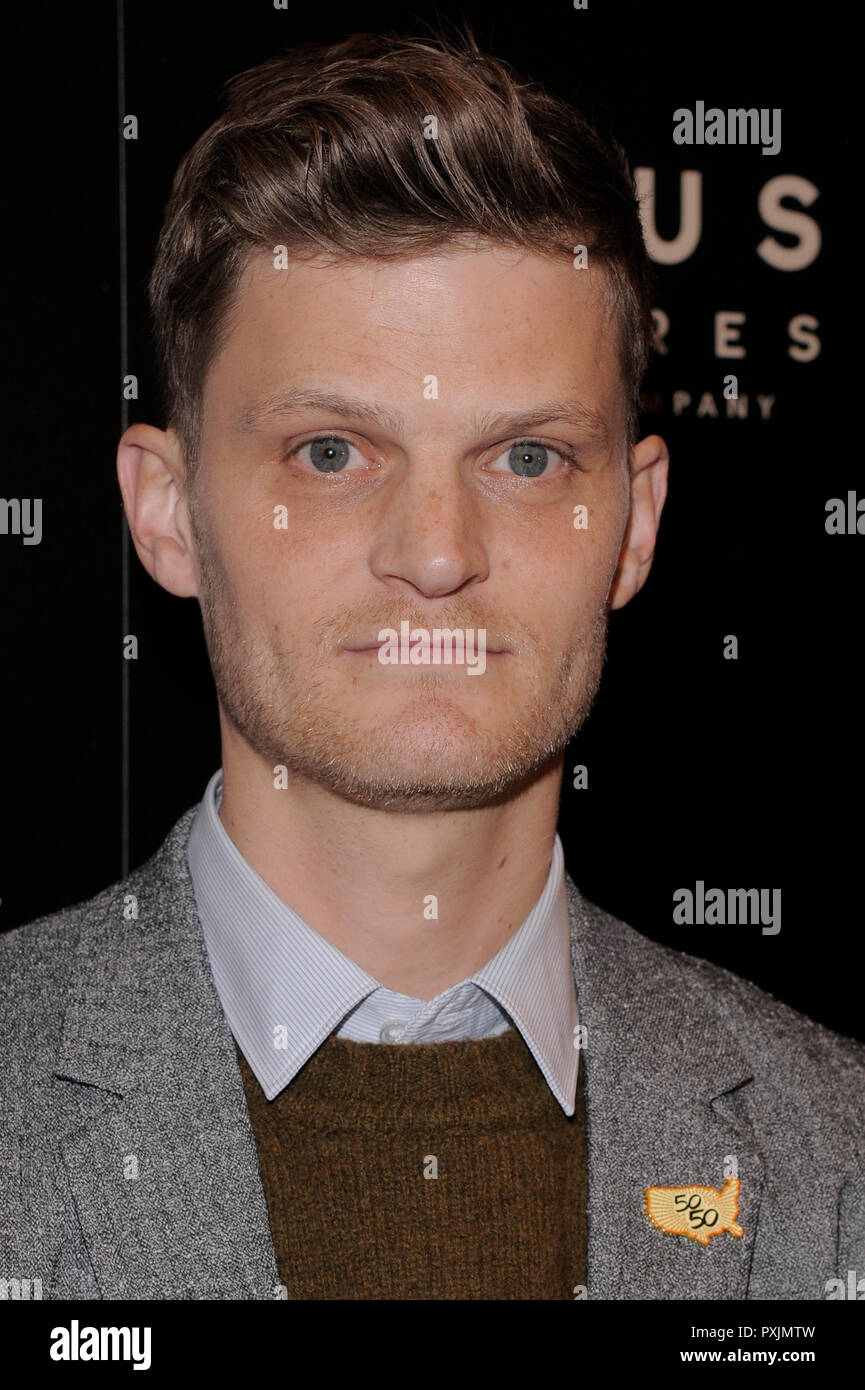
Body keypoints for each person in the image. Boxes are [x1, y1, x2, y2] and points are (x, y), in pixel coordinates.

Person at [1, 29, 862, 1303]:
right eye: (333, 453)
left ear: (632, 523)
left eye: (525, 459)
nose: (437, 554)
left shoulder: (835, 1159)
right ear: (168, 511)